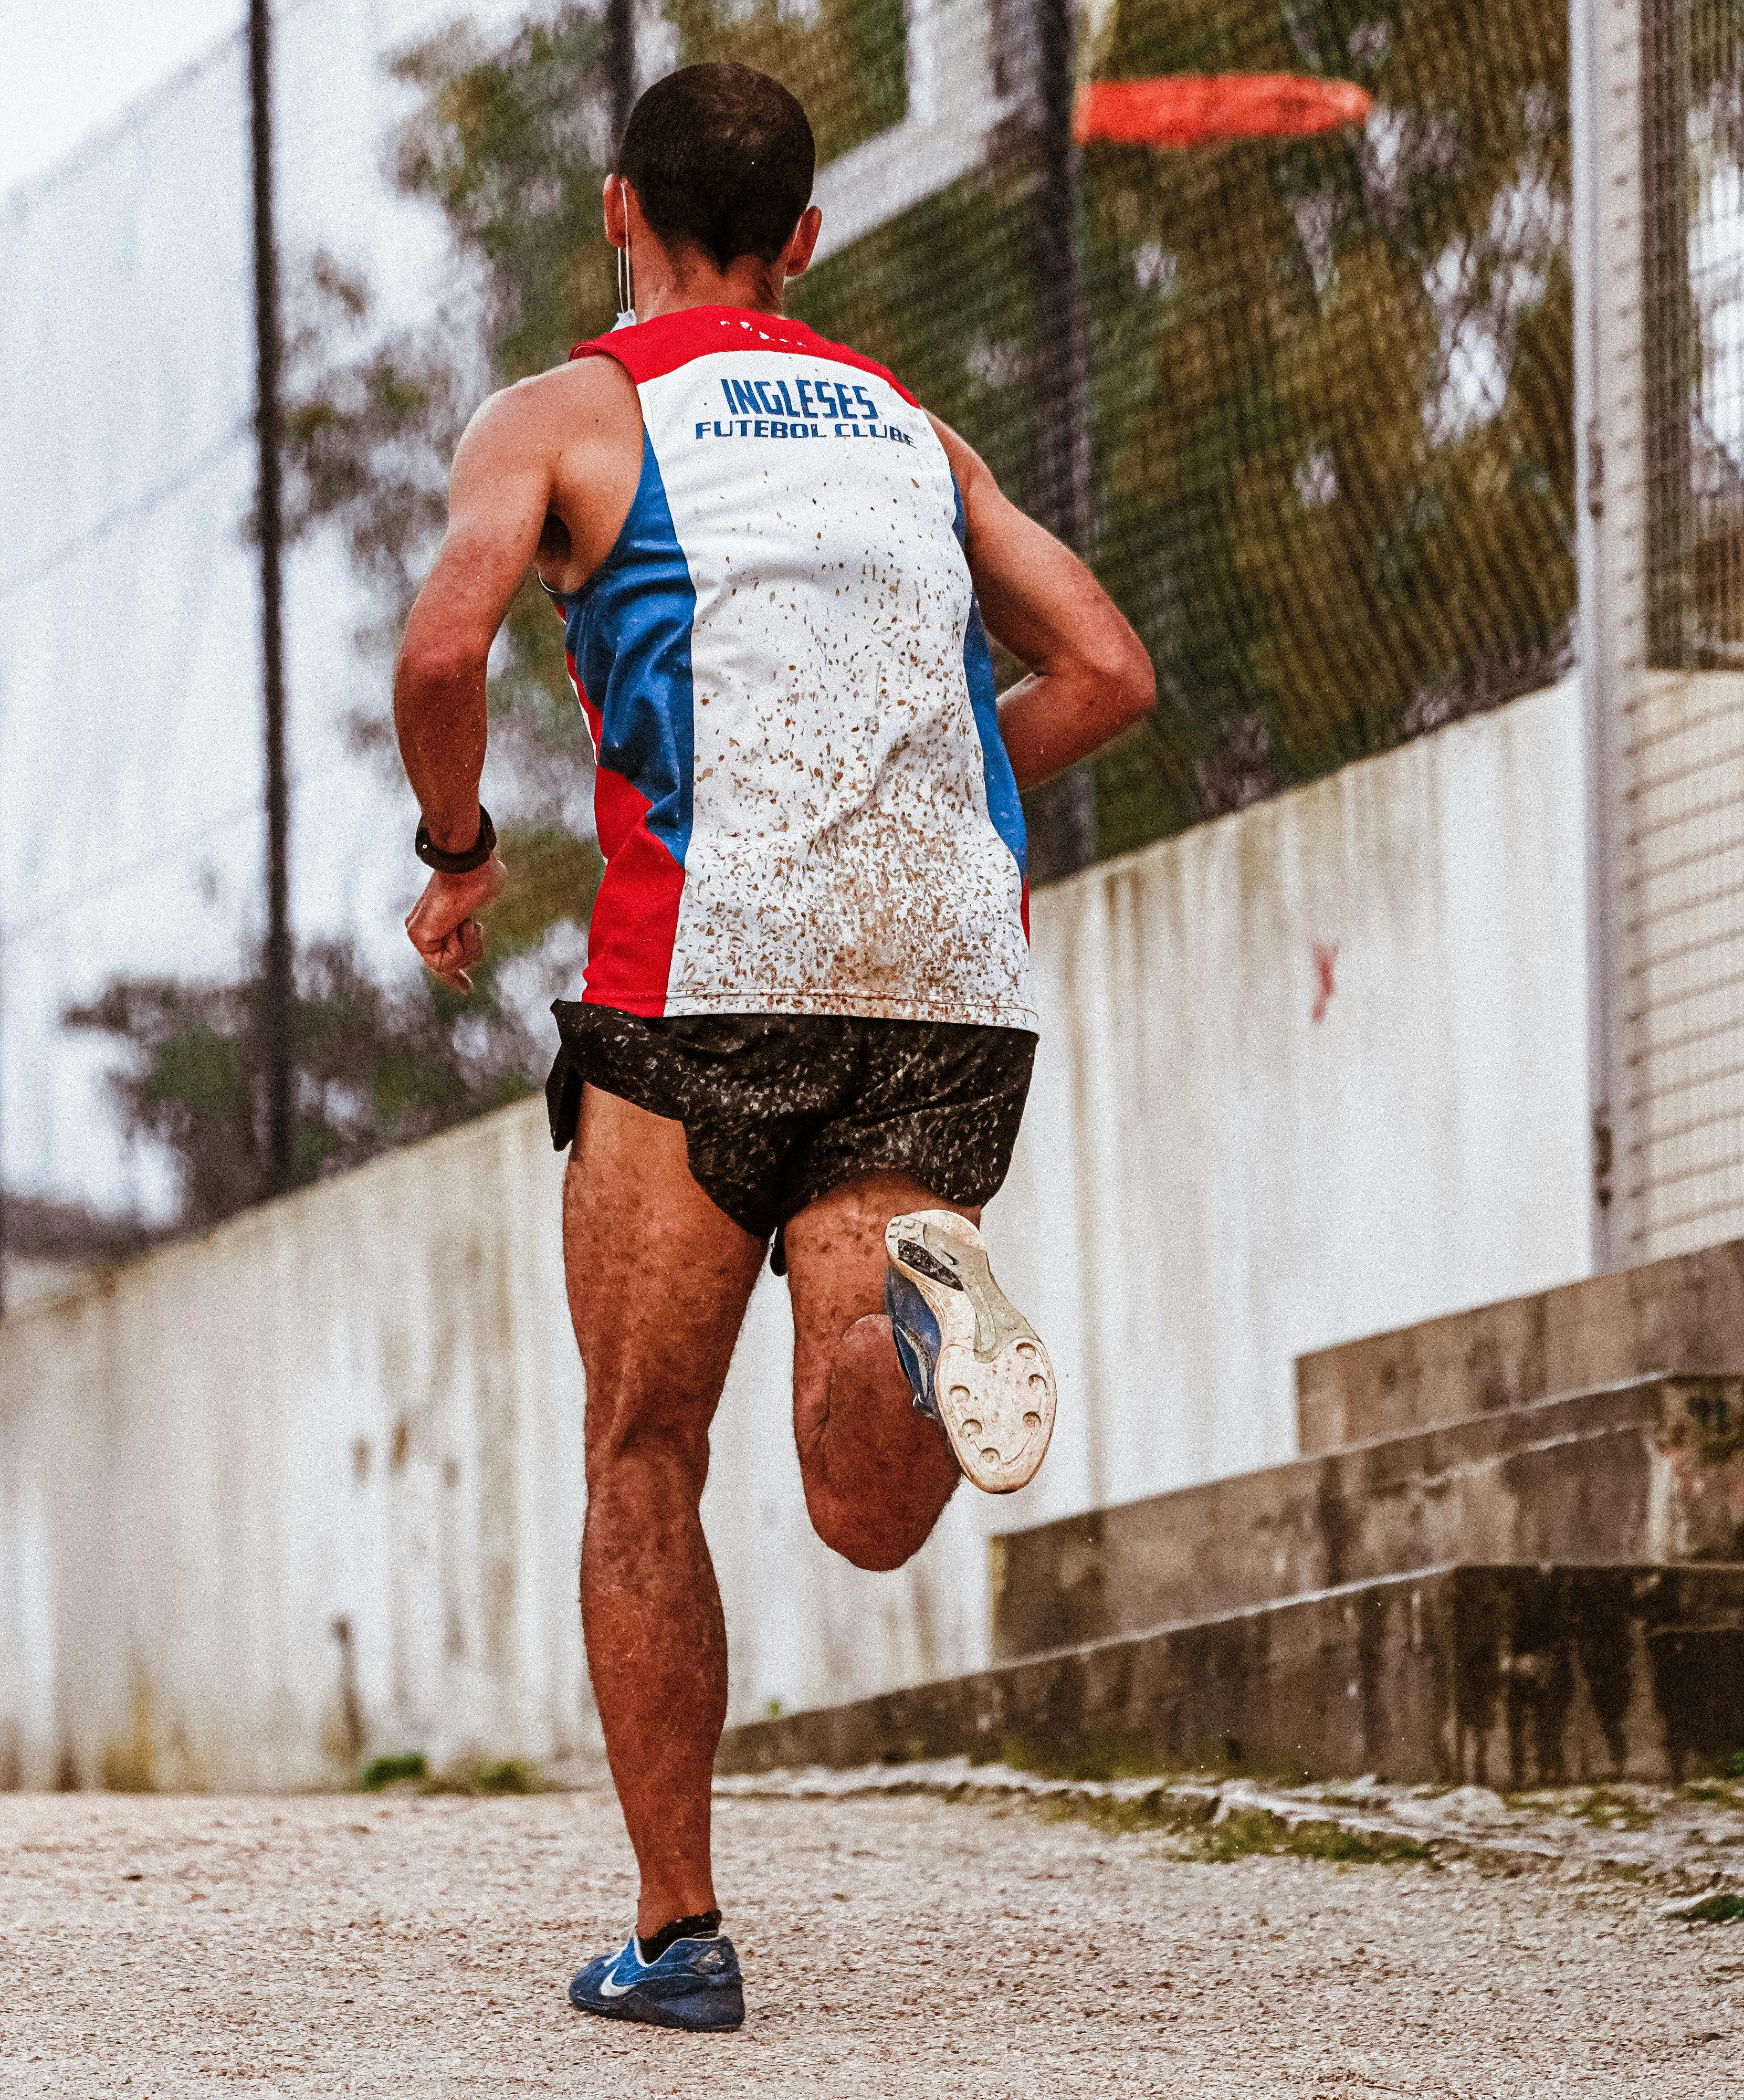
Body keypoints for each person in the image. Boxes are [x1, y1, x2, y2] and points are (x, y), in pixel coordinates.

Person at [390, 60, 1155, 2032]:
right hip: (938, 972)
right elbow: (1107, 667)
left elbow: (439, 651)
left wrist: (461, 854)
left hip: (700, 977)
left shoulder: (568, 413)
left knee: (643, 1454)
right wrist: (956, 794)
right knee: (871, 1505)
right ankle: (926, 1284)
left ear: (618, 205)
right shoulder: (907, 425)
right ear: (804, 240)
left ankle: (679, 1932)